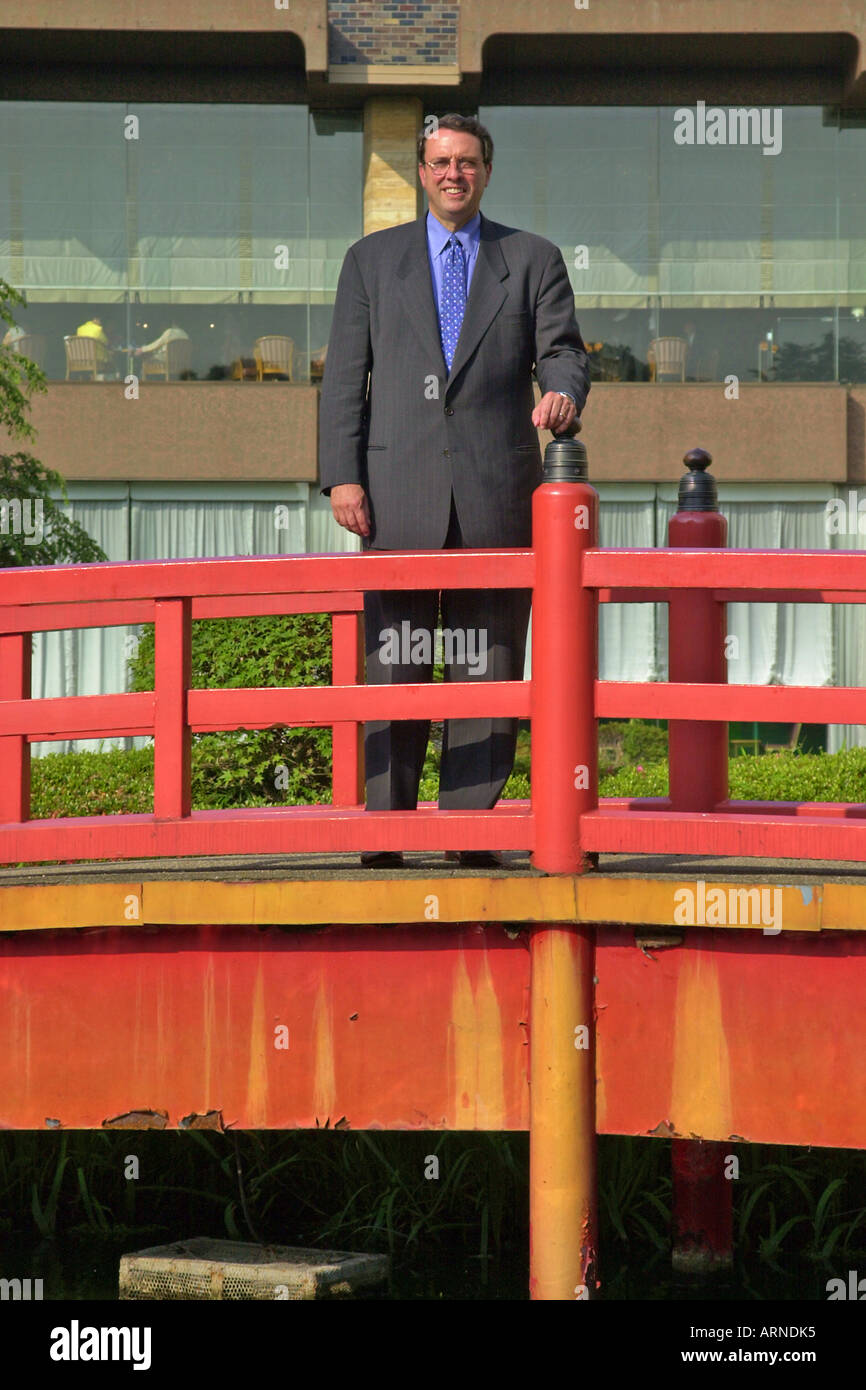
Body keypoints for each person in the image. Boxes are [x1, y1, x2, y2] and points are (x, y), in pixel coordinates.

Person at [319, 113, 591, 868]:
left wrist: (563, 394)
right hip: (394, 490)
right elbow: (345, 377)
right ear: (421, 171)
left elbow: (563, 352)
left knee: (487, 663)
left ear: (487, 171)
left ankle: (470, 829)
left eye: (466, 162)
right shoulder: (371, 261)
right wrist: (341, 473)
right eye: (440, 162)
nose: (452, 174)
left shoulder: (531, 258)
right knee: (396, 664)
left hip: (498, 492)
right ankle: (389, 830)